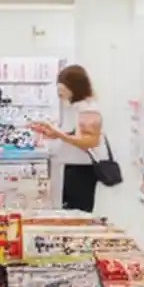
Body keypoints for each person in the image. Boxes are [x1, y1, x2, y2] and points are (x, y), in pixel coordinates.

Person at [30, 65, 103, 213]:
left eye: (62, 89)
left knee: (77, 213)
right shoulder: (74, 108)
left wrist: (59, 134)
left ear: (74, 87)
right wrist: (50, 133)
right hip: (70, 168)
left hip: (81, 170)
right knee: (67, 211)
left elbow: (89, 141)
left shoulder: (87, 109)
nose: (59, 93)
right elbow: (71, 135)